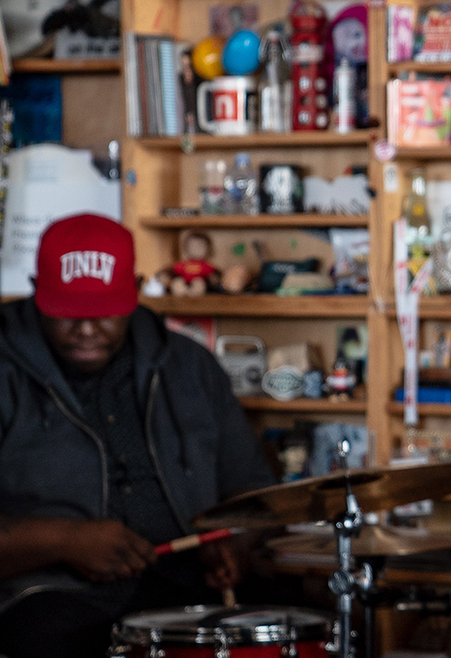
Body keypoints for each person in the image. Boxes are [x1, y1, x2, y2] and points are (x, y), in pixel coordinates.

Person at [0, 214, 276, 658]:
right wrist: (63, 540)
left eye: (105, 311)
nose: (87, 329)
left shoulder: (190, 366)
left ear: (136, 289)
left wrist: (236, 543)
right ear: (36, 291)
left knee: (301, 622)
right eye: (68, 313)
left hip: (187, 589)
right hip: (43, 597)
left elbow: (251, 488)